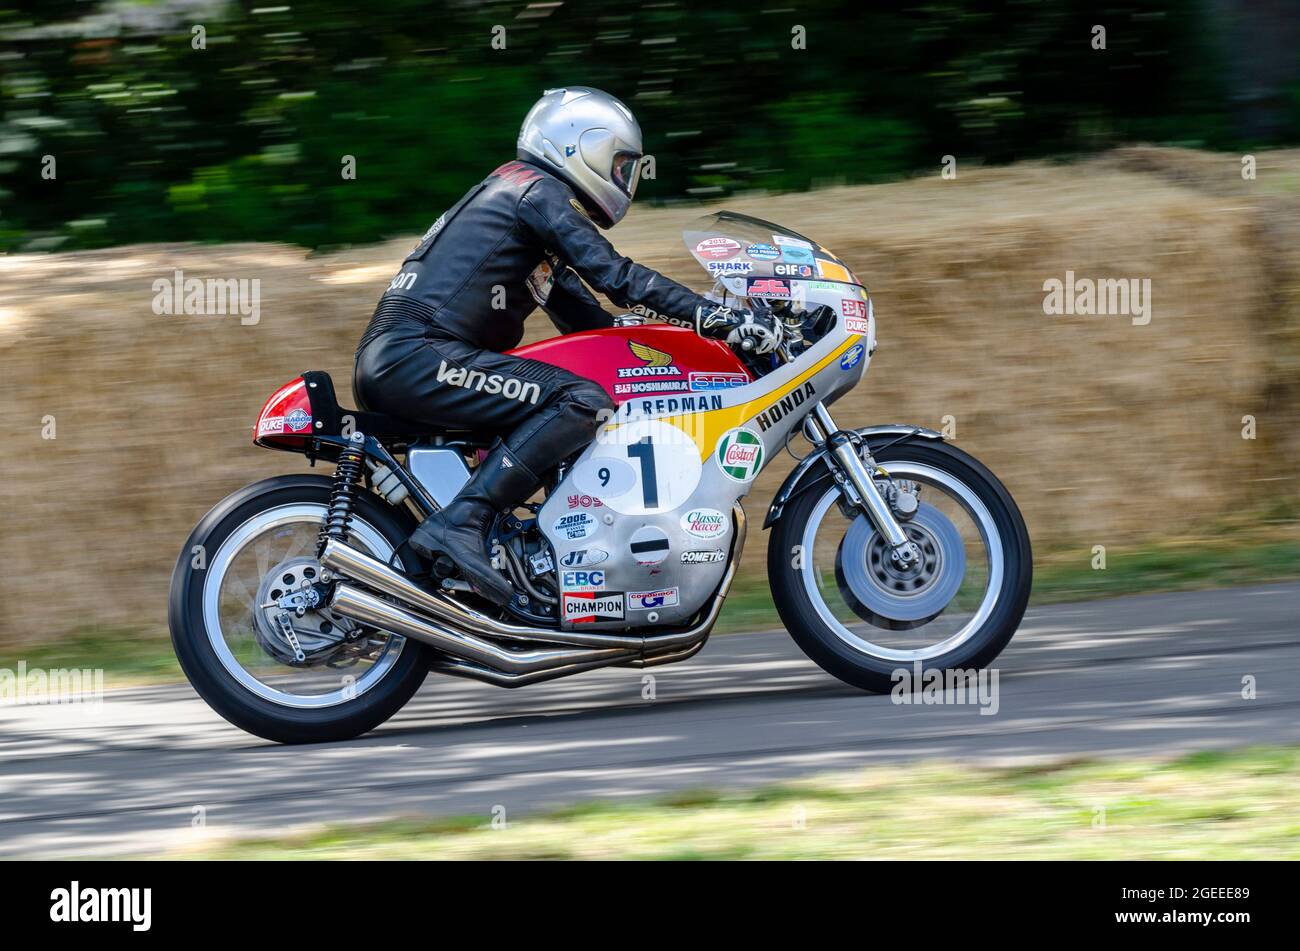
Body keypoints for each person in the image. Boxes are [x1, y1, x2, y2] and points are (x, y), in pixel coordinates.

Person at [353, 86, 781, 603]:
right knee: (580, 400)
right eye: (620, 164)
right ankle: (462, 521)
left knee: (582, 394)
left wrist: (681, 342)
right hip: (418, 357)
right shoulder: (535, 192)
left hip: (410, 359)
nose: (625, 179)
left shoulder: (520, 206)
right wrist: (712, 314)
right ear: (581, 146)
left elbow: (590, 323)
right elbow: (615, 274)